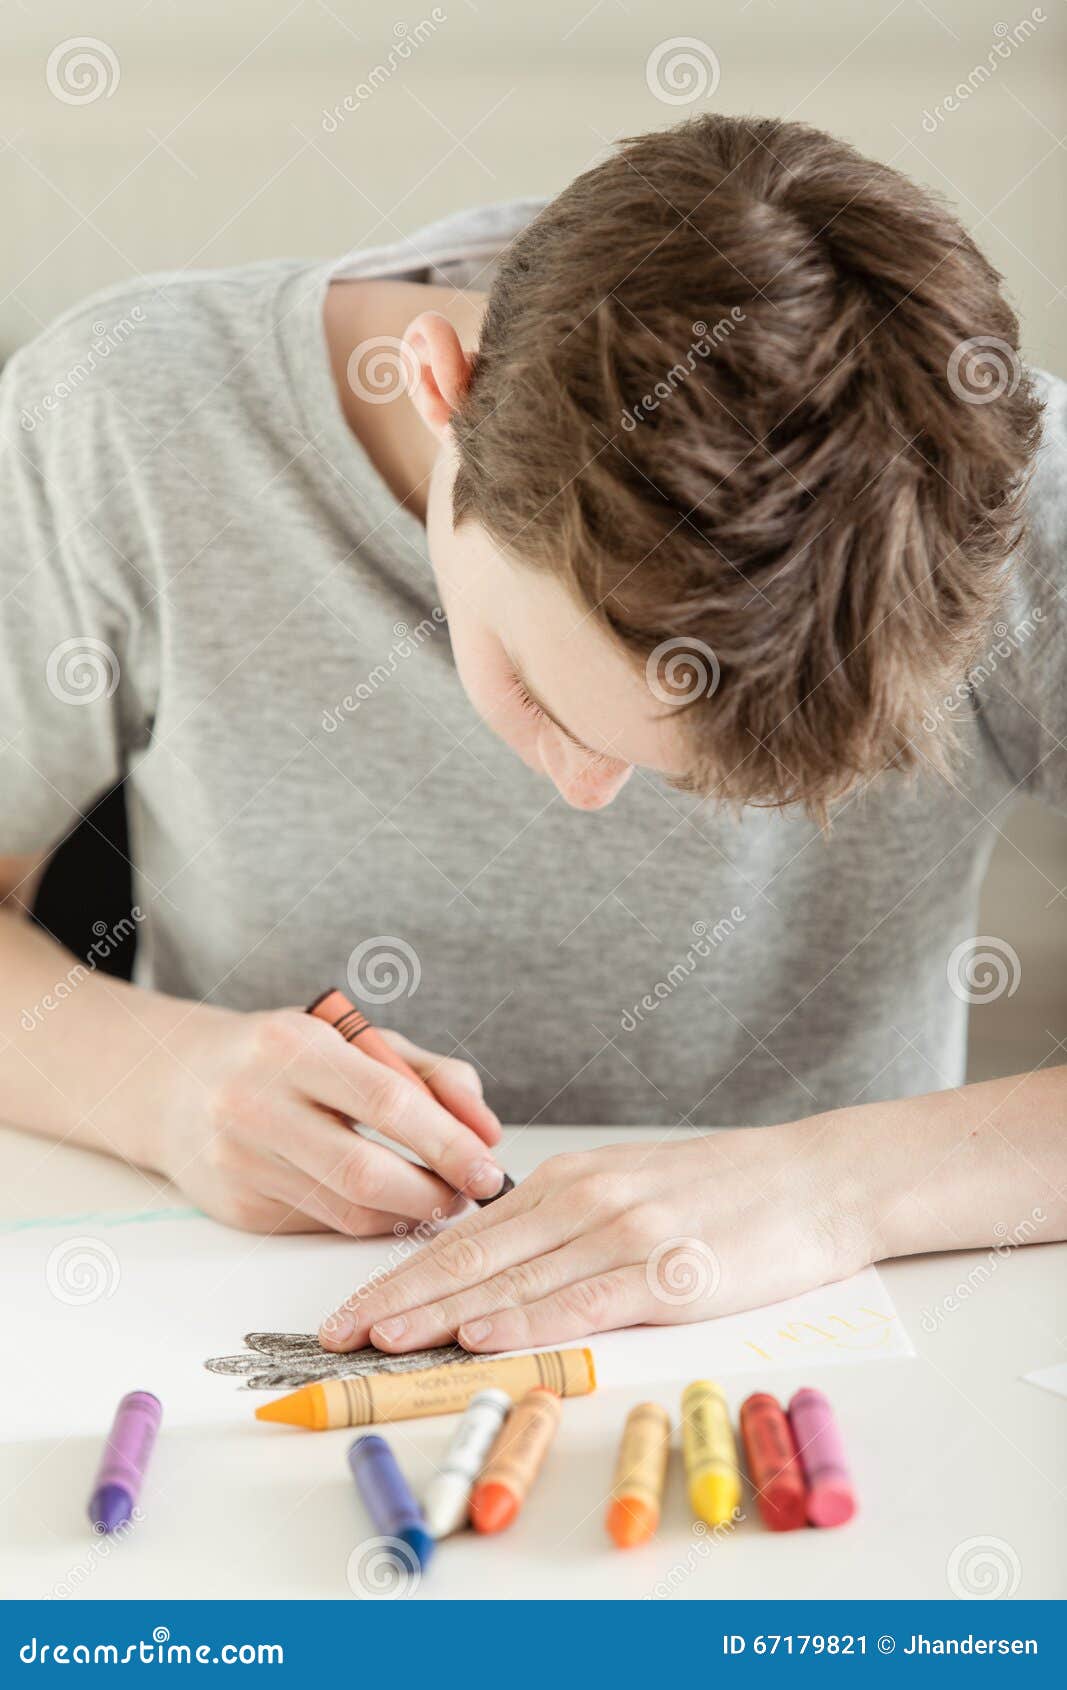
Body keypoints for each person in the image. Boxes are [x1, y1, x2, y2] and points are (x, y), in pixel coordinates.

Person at [1, 115, 1062, 1356]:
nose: (586, 797)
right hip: (254, 1301)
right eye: (550, 703)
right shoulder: (122, 413)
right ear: (441, 388)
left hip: (819, 1334)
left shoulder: (1004, 500)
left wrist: (836, 1187)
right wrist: (156, 1082)